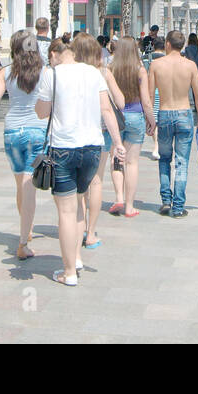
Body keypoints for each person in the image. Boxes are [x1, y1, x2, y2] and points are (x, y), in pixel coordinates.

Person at [35, 35, 125, 286]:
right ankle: (75, 257)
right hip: (92, 148)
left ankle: (69, 272)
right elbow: (107, 110)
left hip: (63, 147)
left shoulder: (51, 75)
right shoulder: (93, 73)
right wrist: (118, 144)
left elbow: (42, 113)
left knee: (65, 211)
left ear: (54, 55)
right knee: (78, 204)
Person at [0, 31, 46, 259]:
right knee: (29, 184)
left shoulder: (5, 73)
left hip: (12, 133)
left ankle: (27, 230)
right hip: (37, 132)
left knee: (20, 185)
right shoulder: (46, 72)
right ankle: (23, 242)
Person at [73, 33, 125, 250]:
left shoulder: (67, 73)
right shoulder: (103, 72)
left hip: (74, 133)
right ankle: (91, 232)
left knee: (77, 185)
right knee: (95, 181)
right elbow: (120, 103)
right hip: (99, 132)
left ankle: (77, 227)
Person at [148, 30, 198, 217]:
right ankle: (178, 206)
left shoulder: (156, 65)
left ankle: (166, 201)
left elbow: (149, 96)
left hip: (164, 113)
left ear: (167, 44)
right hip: (184, 113)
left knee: (164, 159)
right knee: (182, 162)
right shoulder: (190, 66)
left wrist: (150, 120)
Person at [107, 37, 154, 217]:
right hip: (135, 116)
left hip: (116, 117)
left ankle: (118, 197)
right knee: (132, 162)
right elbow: (146, 101)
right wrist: (152, 121)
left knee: (116, 158)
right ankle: (129, 206)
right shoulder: (140, 70)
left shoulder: (111, 68)